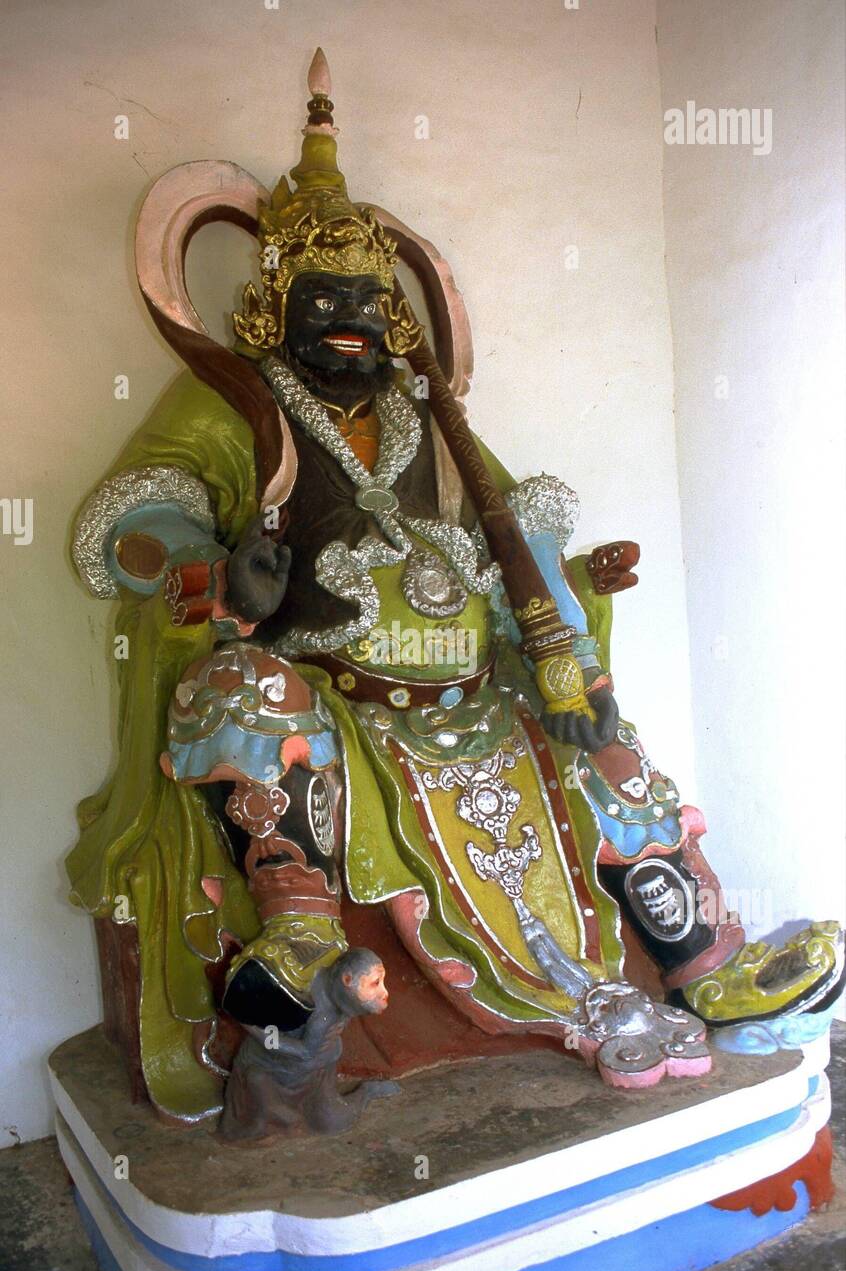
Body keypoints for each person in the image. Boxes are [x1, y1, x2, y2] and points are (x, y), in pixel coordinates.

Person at [68, 52, 843, 1122]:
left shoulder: (428, 412)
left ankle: (705, 957)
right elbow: (134, 531)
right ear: (266, 308)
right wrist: (225, 575)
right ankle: (297, 920)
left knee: (608, 758)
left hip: (474, 692)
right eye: (325, 297)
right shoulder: (229, 403)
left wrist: (571, 595)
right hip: (336, 694)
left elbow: (516, 528)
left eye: (371, 300)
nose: (353, 317)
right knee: (244, 695)